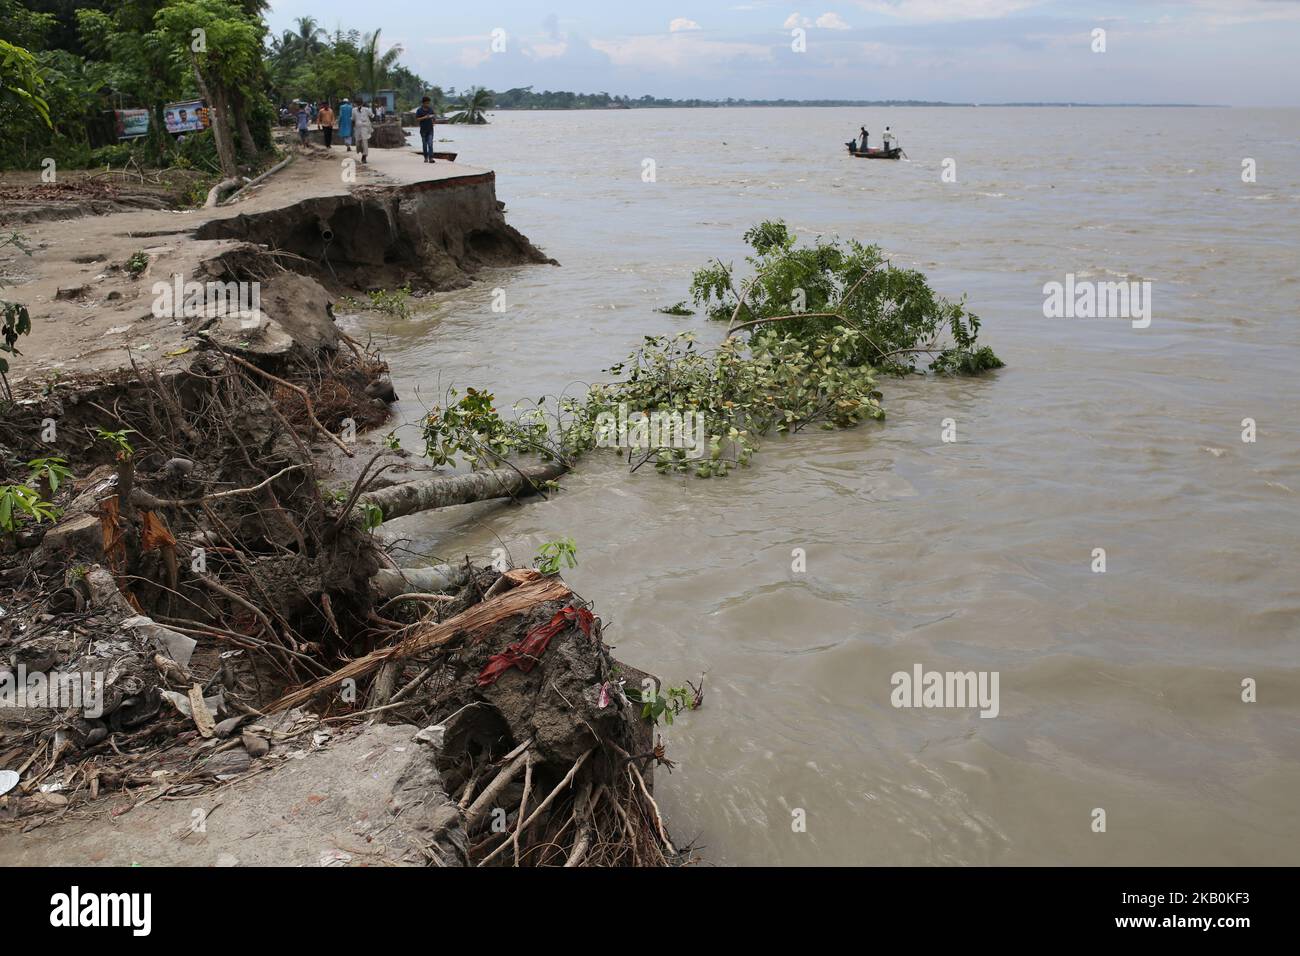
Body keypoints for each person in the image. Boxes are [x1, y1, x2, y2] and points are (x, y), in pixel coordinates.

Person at [416, 96, 436, 163]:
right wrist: (425, 117)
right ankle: (425, 157)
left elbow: (433, 116)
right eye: (427, 103)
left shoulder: (430, 109)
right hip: (423, 130)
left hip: (430, 129)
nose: (428, 104)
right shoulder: (419, 110)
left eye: (428, 103)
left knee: (430, 144)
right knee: (424, 145)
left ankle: (431, 158)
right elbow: (417, 119)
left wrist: (433, 120)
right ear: (423, 103)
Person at [353, 99, 374, 163]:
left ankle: (364, 156)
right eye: (357, 103)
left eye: (360, 103)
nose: (358, 104)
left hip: (365, 128)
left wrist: (369, 123)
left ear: (362, 103)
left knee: (364, 142)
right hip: (357, 128)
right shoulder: (353, 110)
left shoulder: (366, 110)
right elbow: (353, 119)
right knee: (358, 143)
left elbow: (372, 116)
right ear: (356, 104)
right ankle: (362, 152)